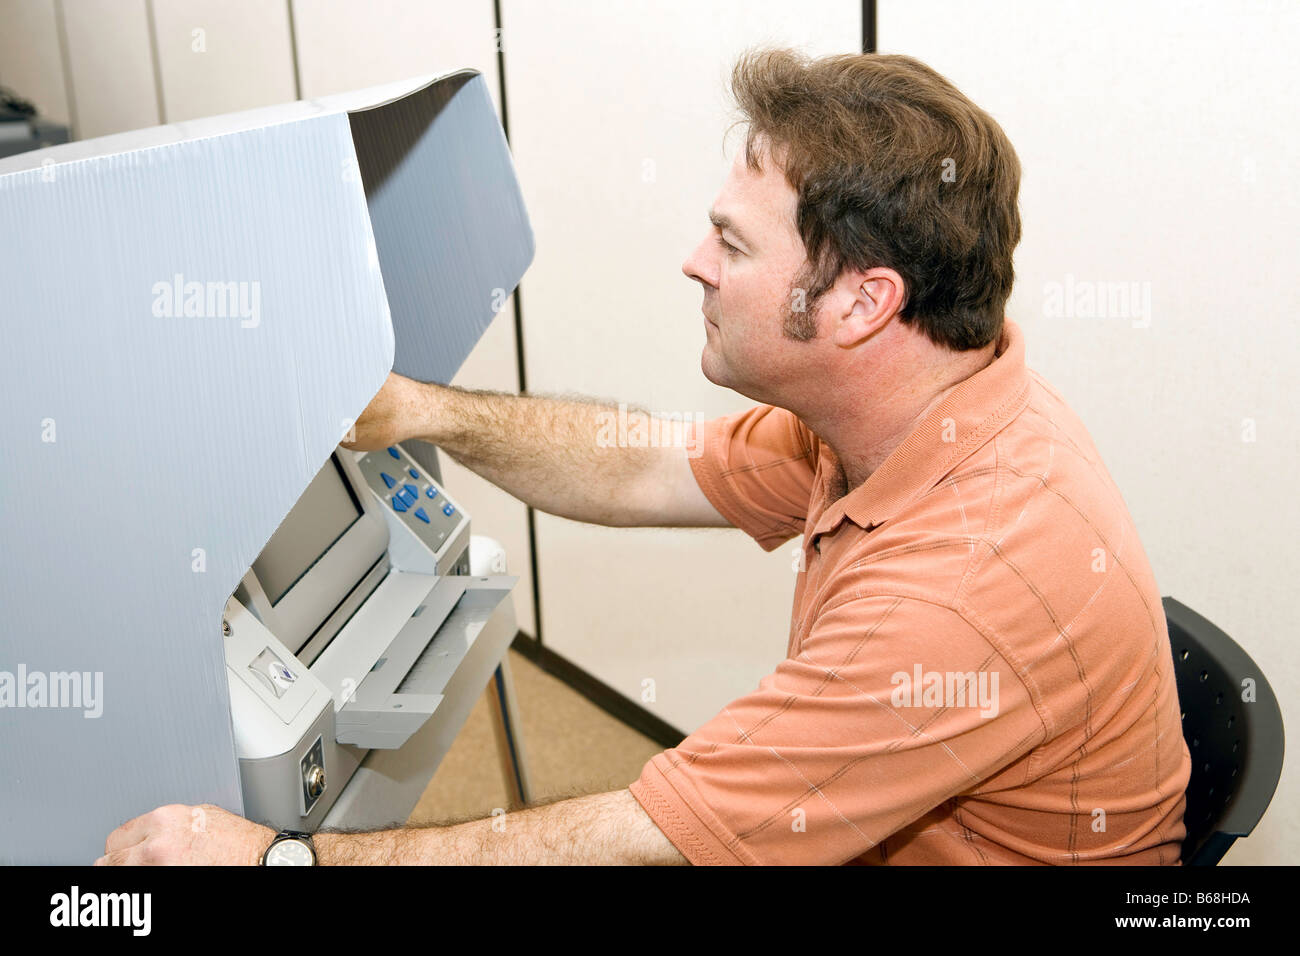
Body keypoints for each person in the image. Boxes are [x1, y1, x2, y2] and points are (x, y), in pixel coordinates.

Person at [100, 47, 1189, 866]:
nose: (691, 261)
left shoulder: (964, 581)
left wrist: (278, 856)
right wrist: (423, 408)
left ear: (862, 301)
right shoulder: (913, 410)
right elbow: (640, 465)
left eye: (732, 241)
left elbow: (649, 829)